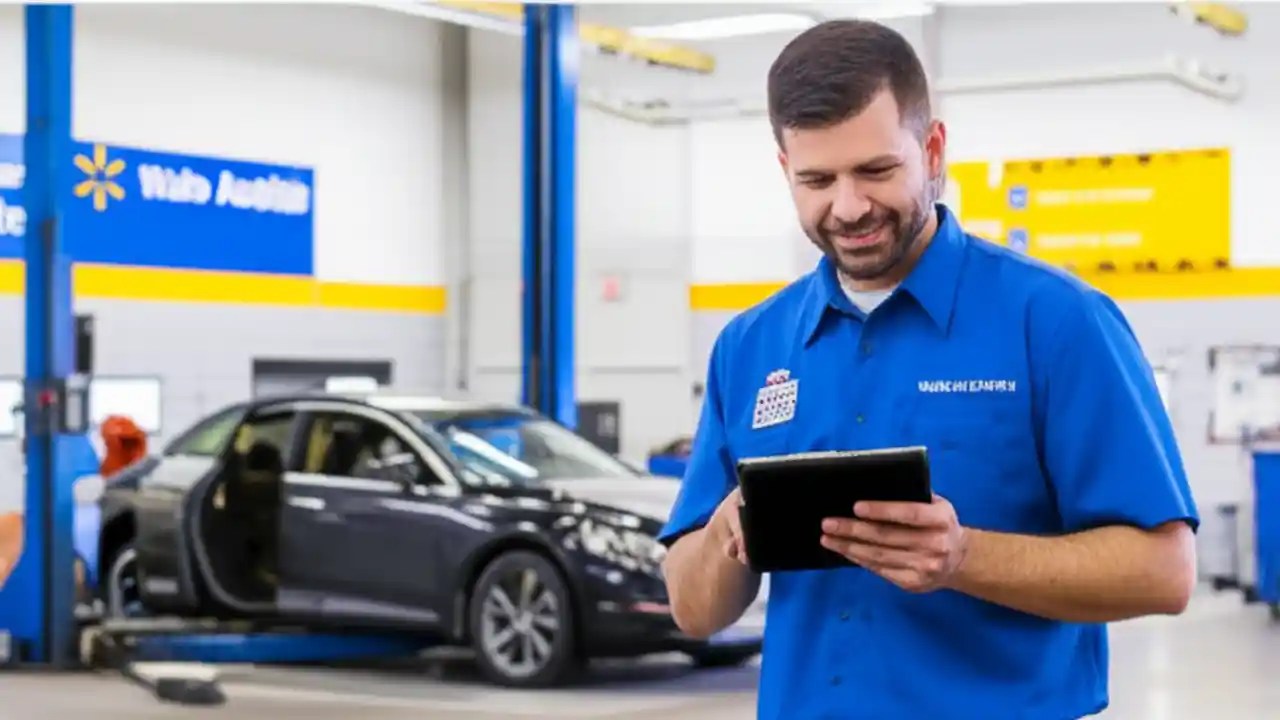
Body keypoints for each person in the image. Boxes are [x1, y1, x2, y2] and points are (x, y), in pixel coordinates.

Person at [658, 19, 1199, 720]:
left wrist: (963, 556)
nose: (848, 207)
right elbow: (694, 609)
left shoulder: (1057, 323)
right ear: (784, 169)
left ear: (933, 149)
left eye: (875, 171)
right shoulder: (750, 347)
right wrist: (734, 530)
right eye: (816, 179)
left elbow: (1164, 572)